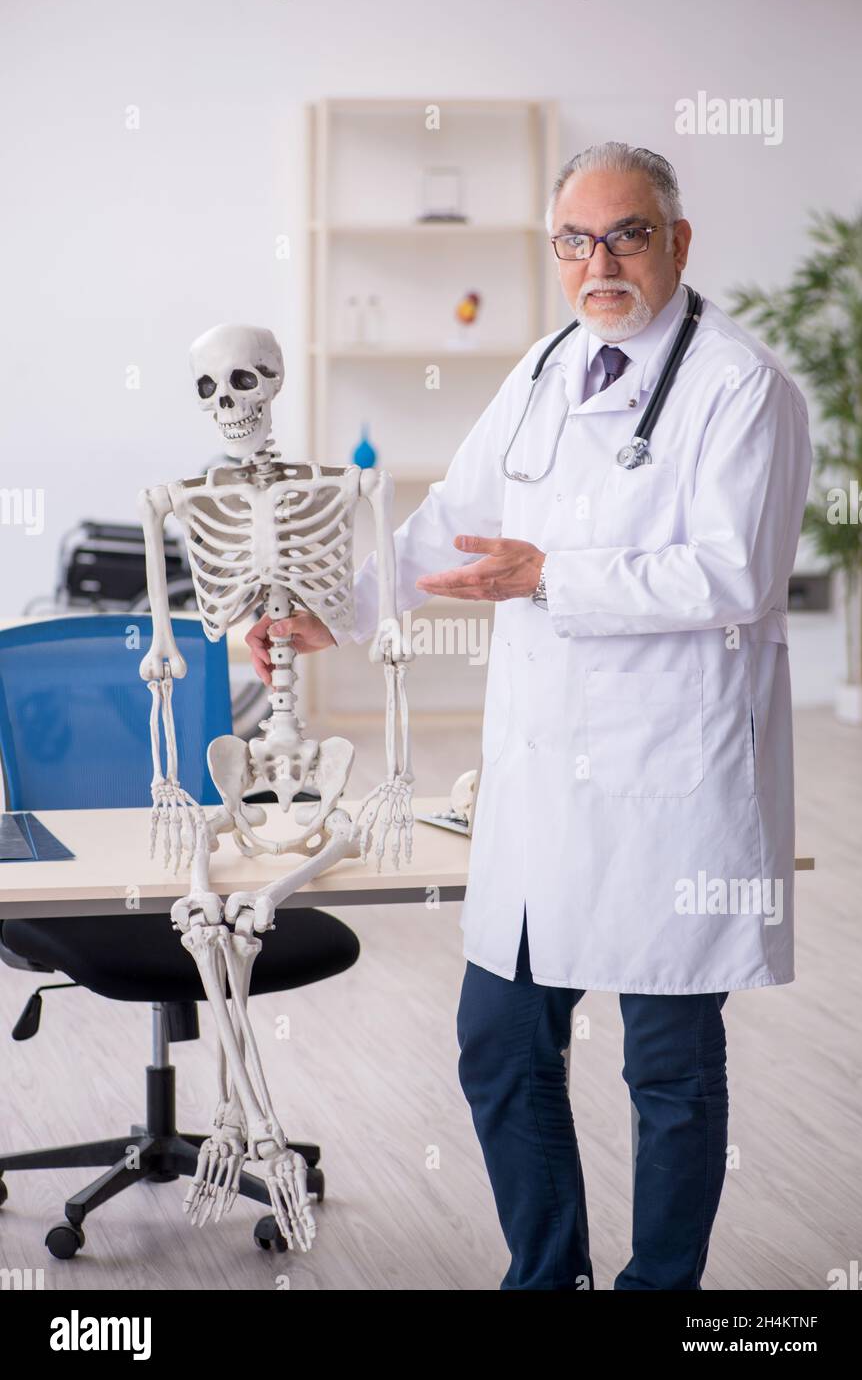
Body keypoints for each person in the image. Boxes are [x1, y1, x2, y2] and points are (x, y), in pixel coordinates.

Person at [246, 142, 813, 1290]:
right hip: (544, 783)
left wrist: (550, 575)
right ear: (553, 254)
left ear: (678, 241)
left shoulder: (742, 388)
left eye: (627, 234)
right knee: (501, 1046)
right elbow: (453, 522)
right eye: (574, 240)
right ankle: (545, 1277)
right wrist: (335, 612)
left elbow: (735, 576)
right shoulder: (551, 364)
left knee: (668, 1071)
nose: (599, 260)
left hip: (673, 787)